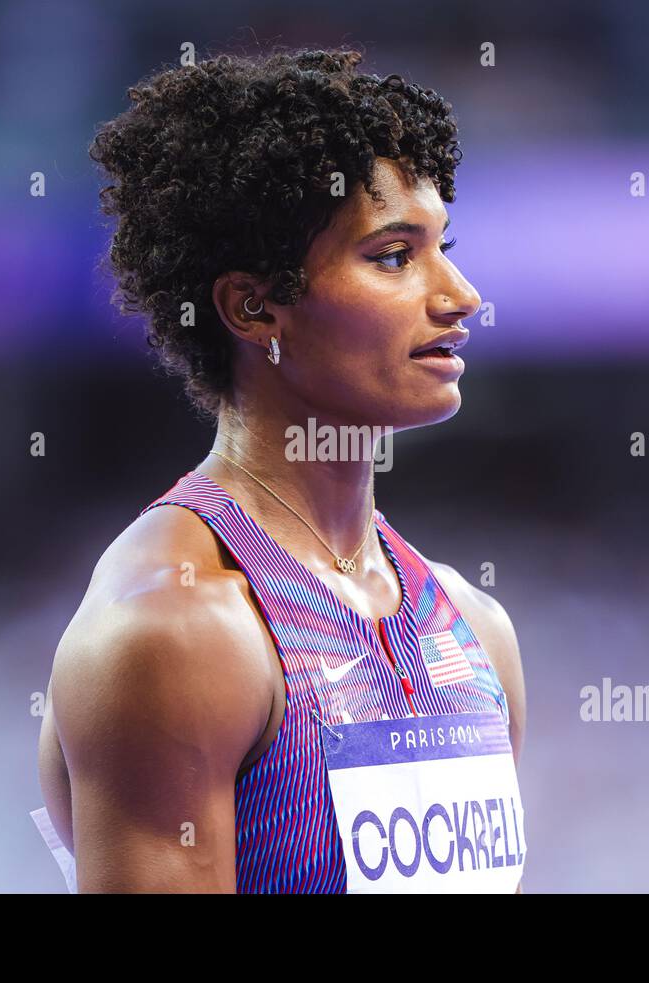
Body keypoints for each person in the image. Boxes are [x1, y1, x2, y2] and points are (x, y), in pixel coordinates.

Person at [32, 48, 527, 893]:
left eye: (444, 244)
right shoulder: (173, 633)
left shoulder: (476, 632)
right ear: (253, 305)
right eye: (394, 256)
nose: (462, 294)